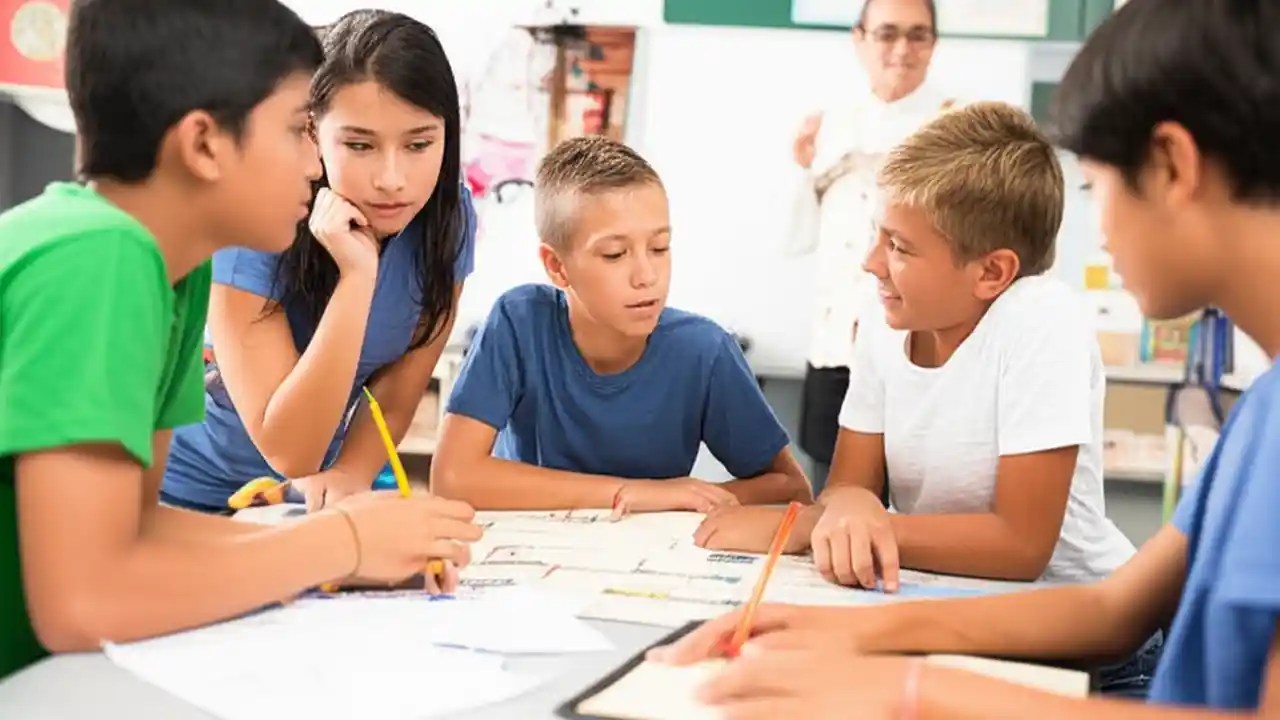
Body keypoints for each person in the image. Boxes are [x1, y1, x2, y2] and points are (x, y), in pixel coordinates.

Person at [654, 0, 1280, 716]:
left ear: (1171, 167)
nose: (1097, 229)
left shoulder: (1045, 321)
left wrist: (911, 690)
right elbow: (1115, 607)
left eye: (1095, 186)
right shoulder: (1263, 408)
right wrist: (841, 630)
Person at [0, 0, 481, 679]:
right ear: (204, 144)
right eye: (297, 131)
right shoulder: (98, 261)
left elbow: (140, 524)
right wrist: (340, 542)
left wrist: (346, 543)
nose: (317, 166)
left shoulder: (168, 268)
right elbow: (82, 602)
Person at [696, 102, 1135, 589]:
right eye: (875, 236)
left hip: (1080, 631)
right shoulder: (887, 320)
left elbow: (1020, 546)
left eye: (899, 247)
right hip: (948, 604)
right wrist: (848, 506)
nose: (870, 262)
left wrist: (811, 524)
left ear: (991, 272)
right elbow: (847, 488)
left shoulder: (1042, 321)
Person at [160, 10, 477, 526]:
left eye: (420, 144)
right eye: (359, 145)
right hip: (177, 498)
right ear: (313, 131)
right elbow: (288, 448)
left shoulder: (447, 219)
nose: (393, 179)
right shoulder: (254, 219)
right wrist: (356, 279)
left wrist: (350, 475)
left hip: (297, 505)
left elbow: (396, 392)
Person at [432, 136, 811, 513]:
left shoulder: (704, 352)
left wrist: (684, 499)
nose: (647, 276)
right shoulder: (519, 322)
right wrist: (632, 493)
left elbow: (790, 487)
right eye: (615, 254)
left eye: (660, 248)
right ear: (556, 266)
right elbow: (452, 479)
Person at [790, 0, 956, 490]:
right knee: (832, 497)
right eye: (887, 34)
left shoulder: (959, 126)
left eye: (917, 35)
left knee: (920, 502)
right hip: (836, 345)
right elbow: (800, 238)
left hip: (922, 354)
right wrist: (801, 169)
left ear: (934, 43)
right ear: (859, 39)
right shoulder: (829, 125)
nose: (902, 50)